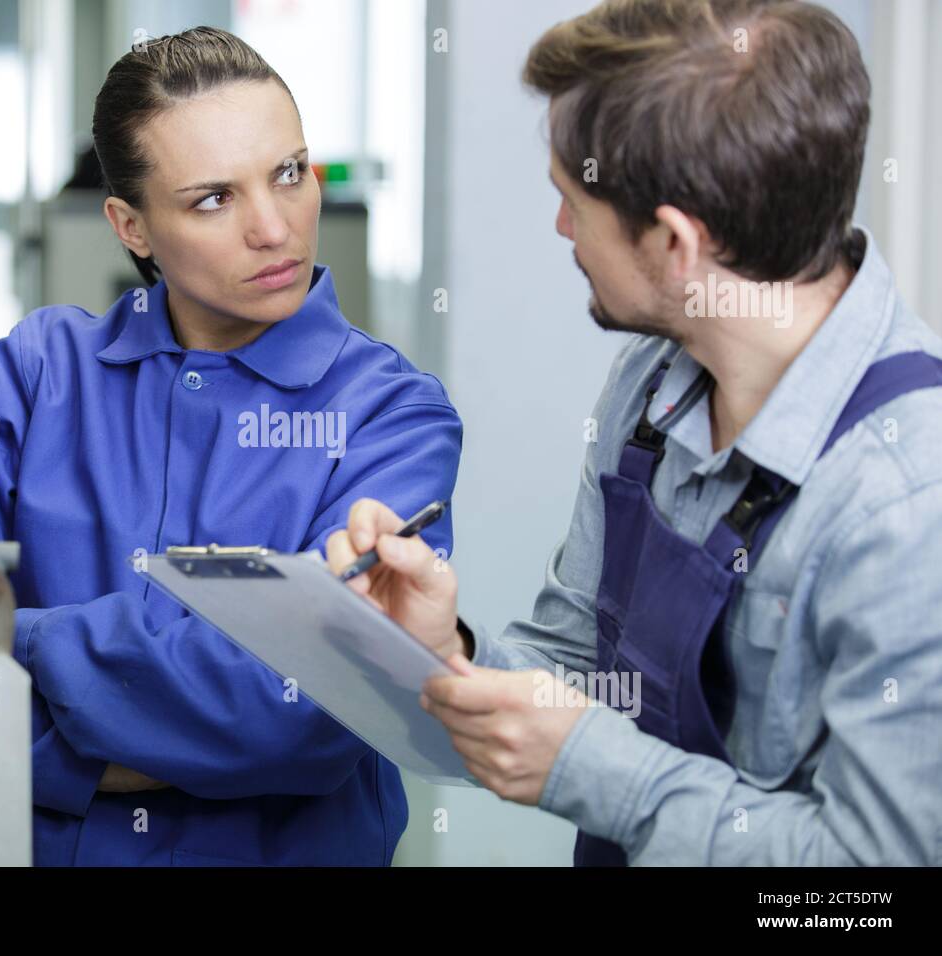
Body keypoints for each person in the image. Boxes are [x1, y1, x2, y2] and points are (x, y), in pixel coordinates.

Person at [328, 0, 942, 865]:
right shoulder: (652, 383)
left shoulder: (908, 500)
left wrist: (591, 768)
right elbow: (587, 679)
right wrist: (449, 650)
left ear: (676, 242)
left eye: (571, 200)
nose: (560, 228)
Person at [0, 27, 462, 866]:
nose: (275, 229)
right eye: (213, 199)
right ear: (132, 227)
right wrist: (173, 711)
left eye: (289, 173)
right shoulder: (34, 372)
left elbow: (305, 711)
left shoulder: (393, 415)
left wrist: (17, 641)